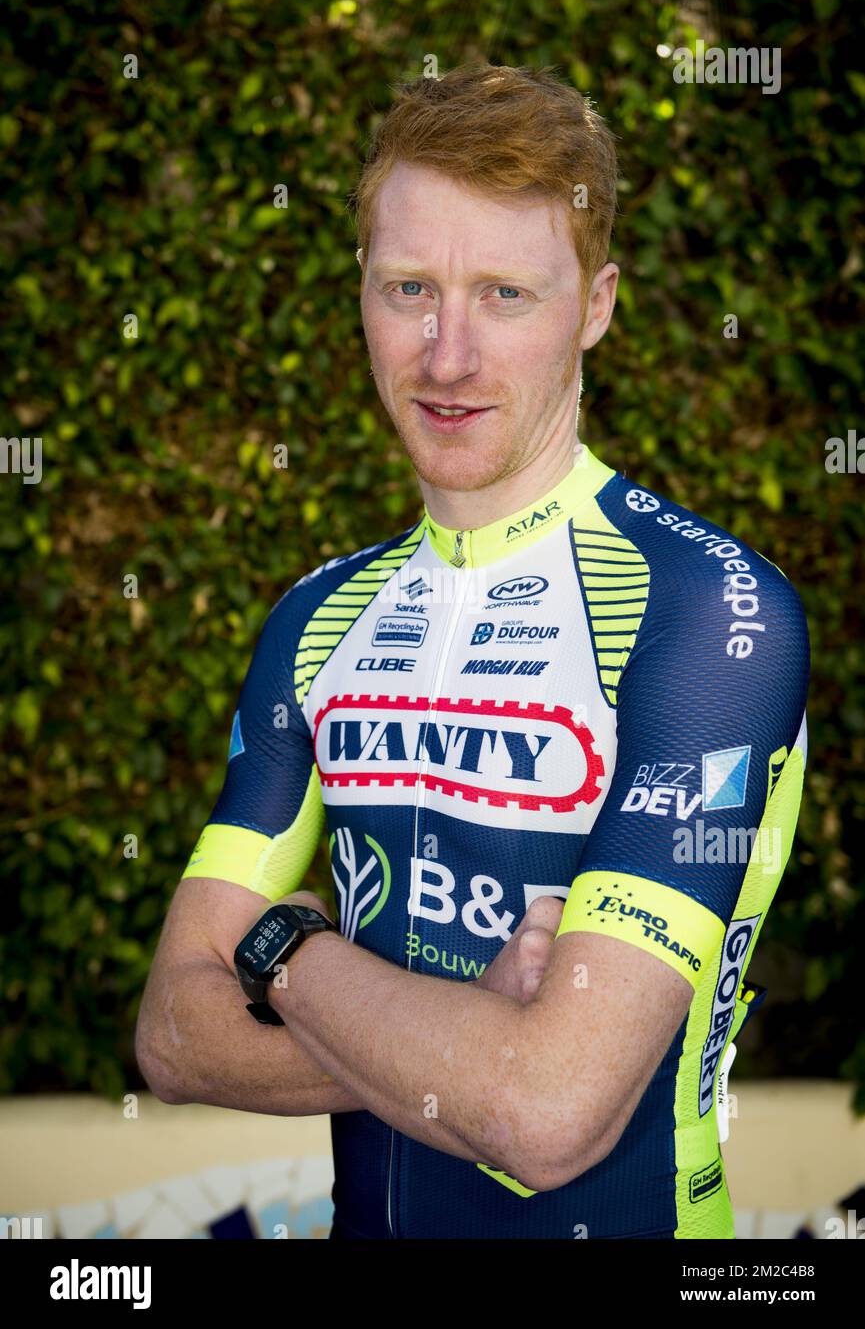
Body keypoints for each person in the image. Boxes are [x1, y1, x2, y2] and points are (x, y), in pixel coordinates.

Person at [135, 63, 809, 1239]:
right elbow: (173, 1036)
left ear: (596, 304)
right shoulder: (315, 621)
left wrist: (280, 944)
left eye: (504, 293)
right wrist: (465, 1036)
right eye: (410, 288)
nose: (446, 358)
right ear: (359, 288)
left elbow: (551, 1113)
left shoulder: (708, 613)